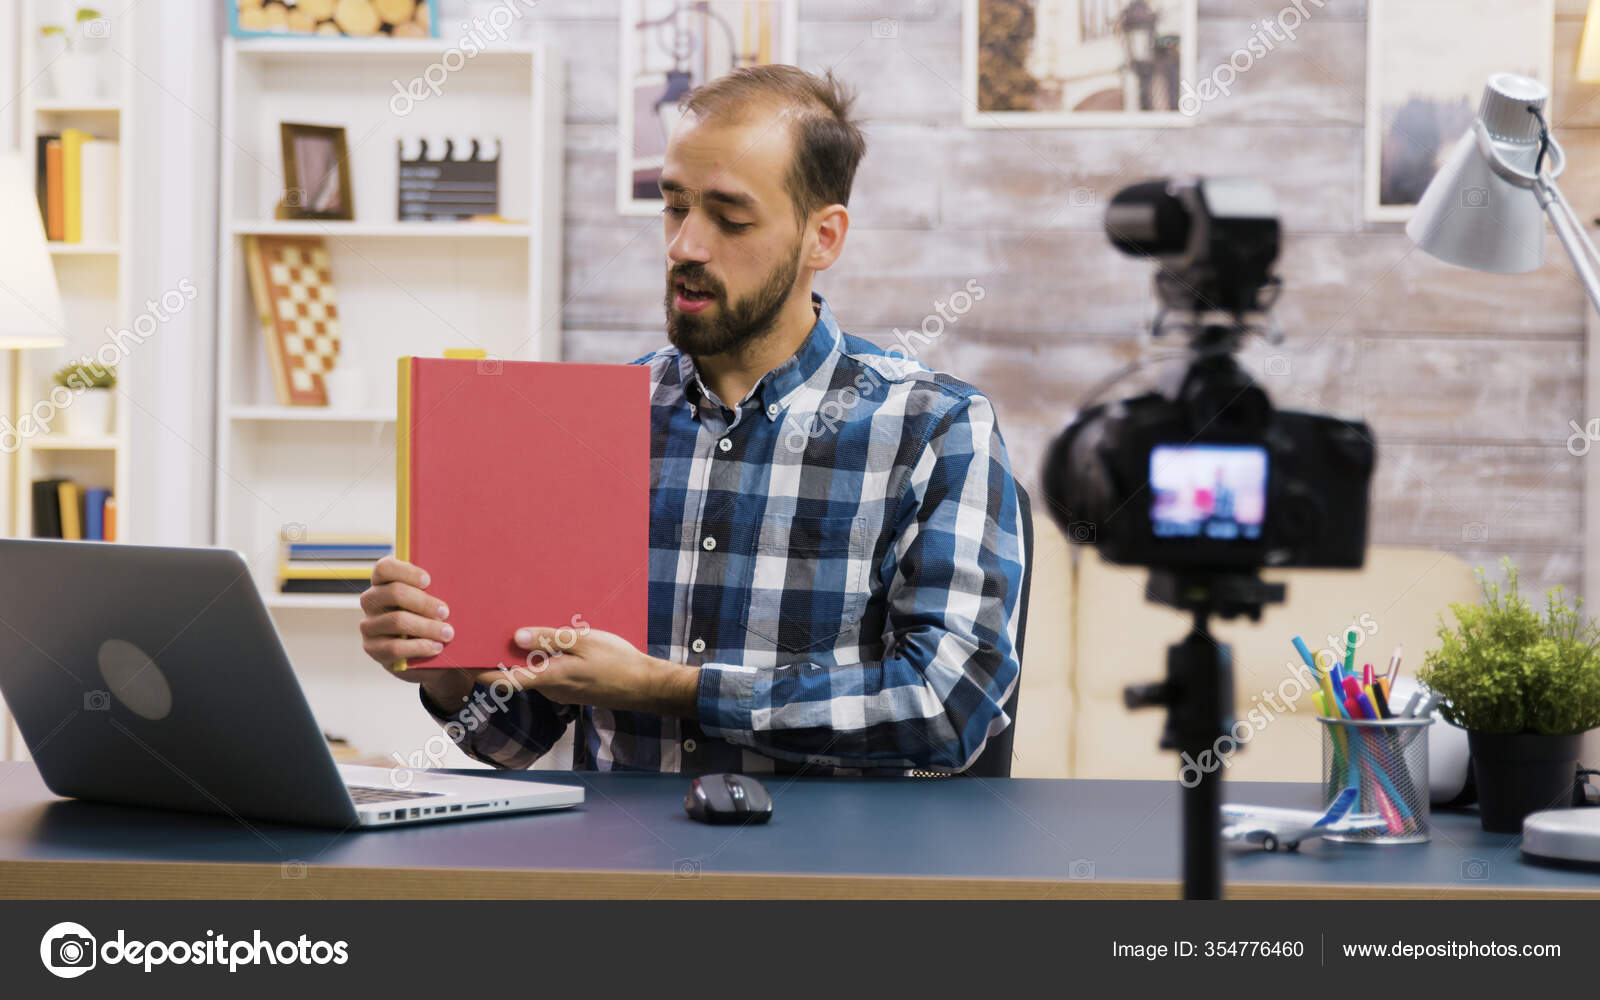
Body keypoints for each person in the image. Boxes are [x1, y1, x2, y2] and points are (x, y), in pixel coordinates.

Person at [360, 65, 1026, 774]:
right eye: (675, 208)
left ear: (822, 239)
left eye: (731, 218)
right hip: (621, 874)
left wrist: (668, 690)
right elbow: (517, 735)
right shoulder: (595, 421)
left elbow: (948, 709)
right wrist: (443, 671)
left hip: (829, 872)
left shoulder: (935, 427)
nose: (685, 247)